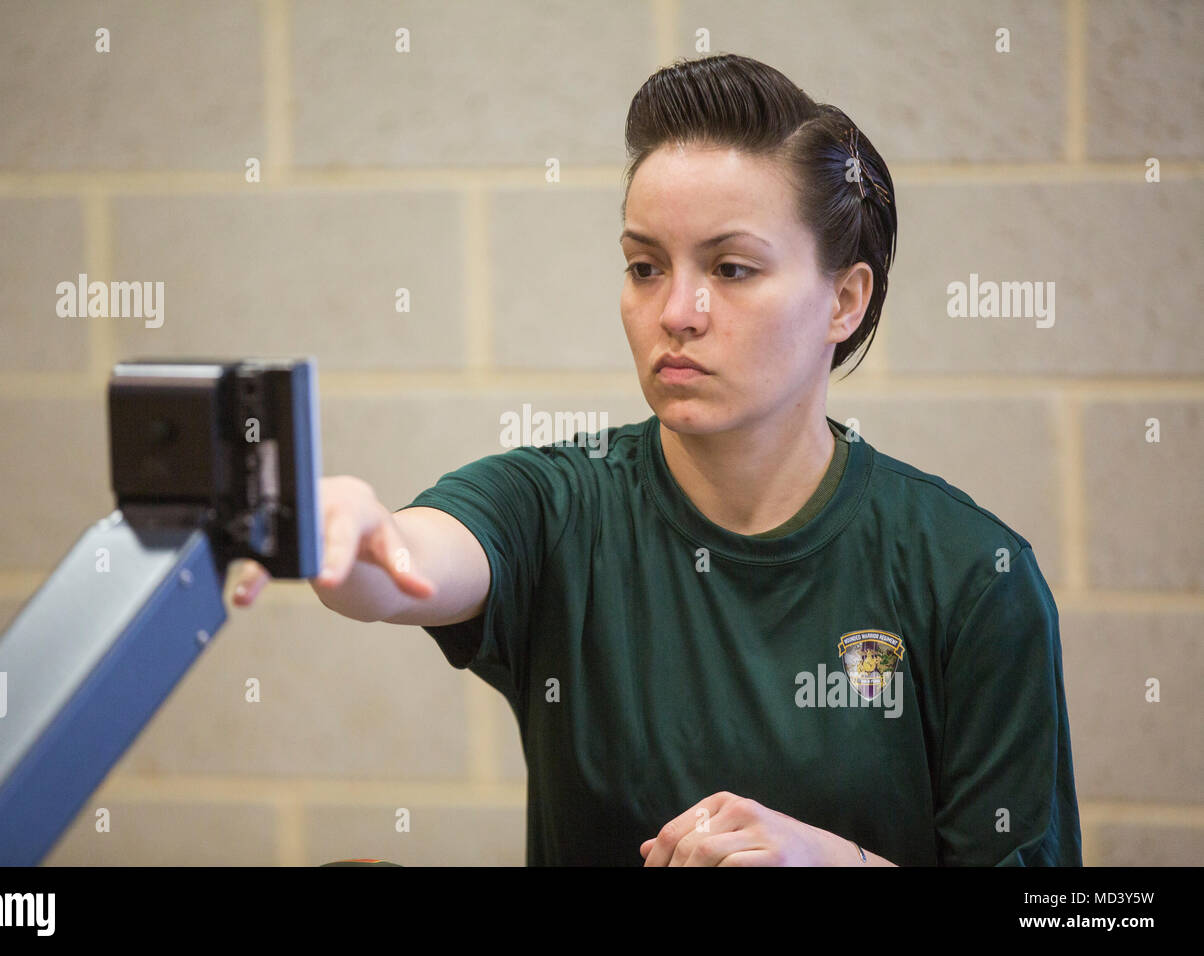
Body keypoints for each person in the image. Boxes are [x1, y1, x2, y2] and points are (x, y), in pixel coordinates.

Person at [233, 53, 1082, 867]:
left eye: (733, 267)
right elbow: (410, 562)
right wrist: (342, 532)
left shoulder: (974, 576)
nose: (677, 310)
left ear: (844, 300)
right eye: (644, 266)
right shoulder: (559, 505)